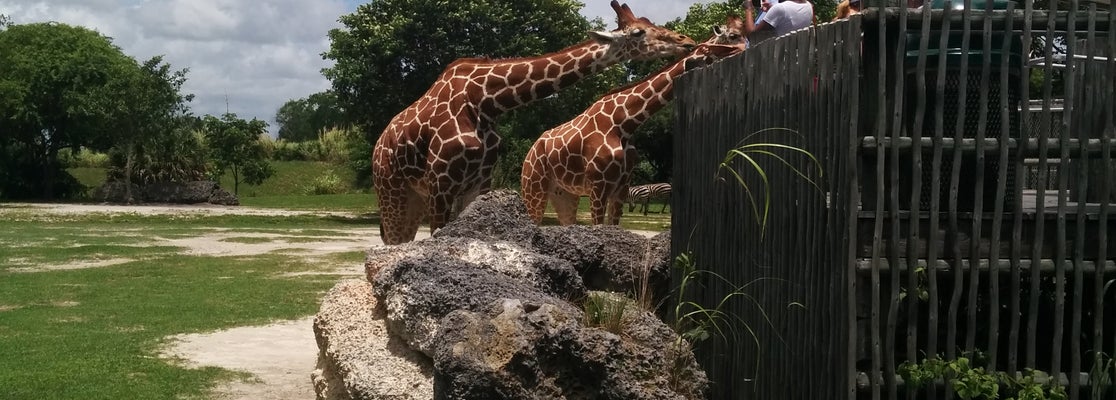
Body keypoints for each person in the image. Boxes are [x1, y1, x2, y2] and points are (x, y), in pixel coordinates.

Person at [741, 0, 814, 44]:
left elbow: (752, 36)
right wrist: (772, 10)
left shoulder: (780, 8)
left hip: (776, 58)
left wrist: (748, 9)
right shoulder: (808, 6)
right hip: (794, 54)